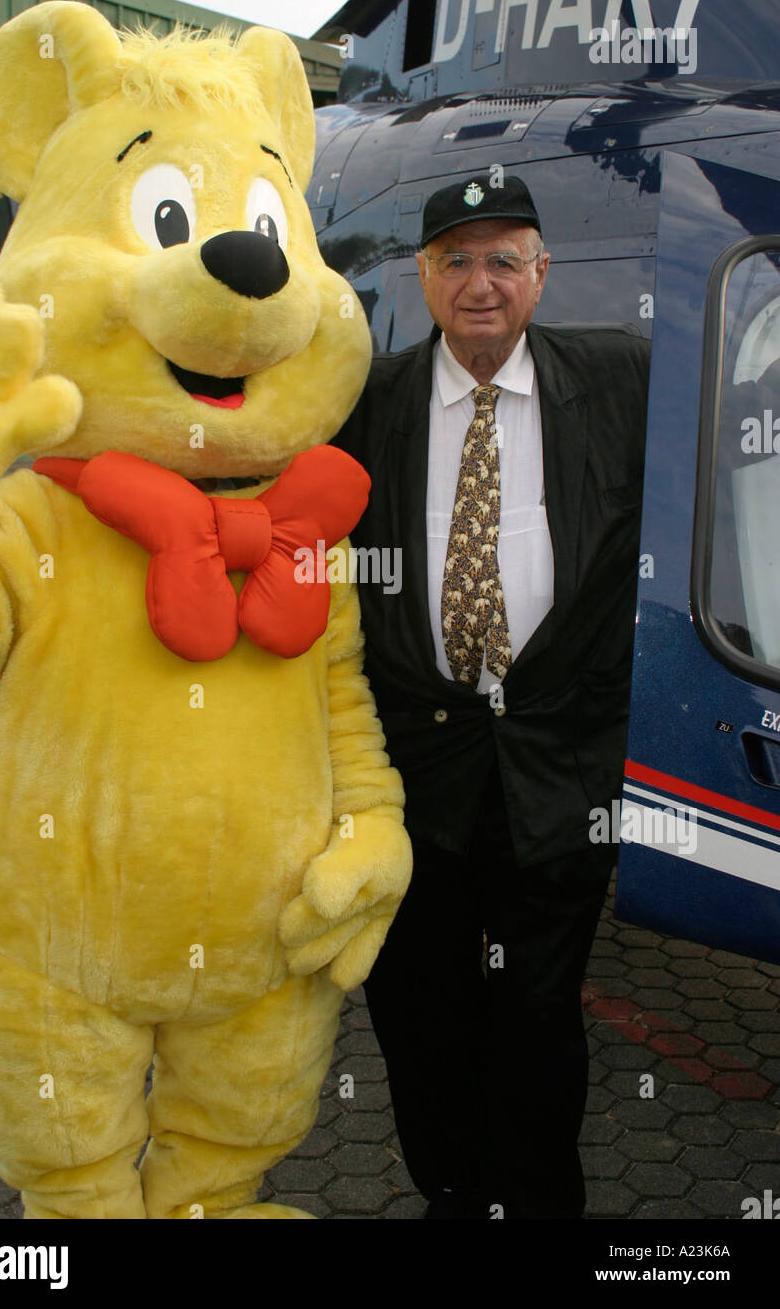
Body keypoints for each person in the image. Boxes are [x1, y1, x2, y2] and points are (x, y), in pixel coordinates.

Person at [334, 176, 651, 1220]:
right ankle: (453, 1193)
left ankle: (536, 1200)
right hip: (413, 775)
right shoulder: (360, 403)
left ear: (541, 272)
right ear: (420, 276)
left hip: (556, 771)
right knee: (418, 1013)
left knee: (537, 1014)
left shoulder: (621, 379)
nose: (480, 284)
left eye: (503, 259)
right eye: (455, 260)